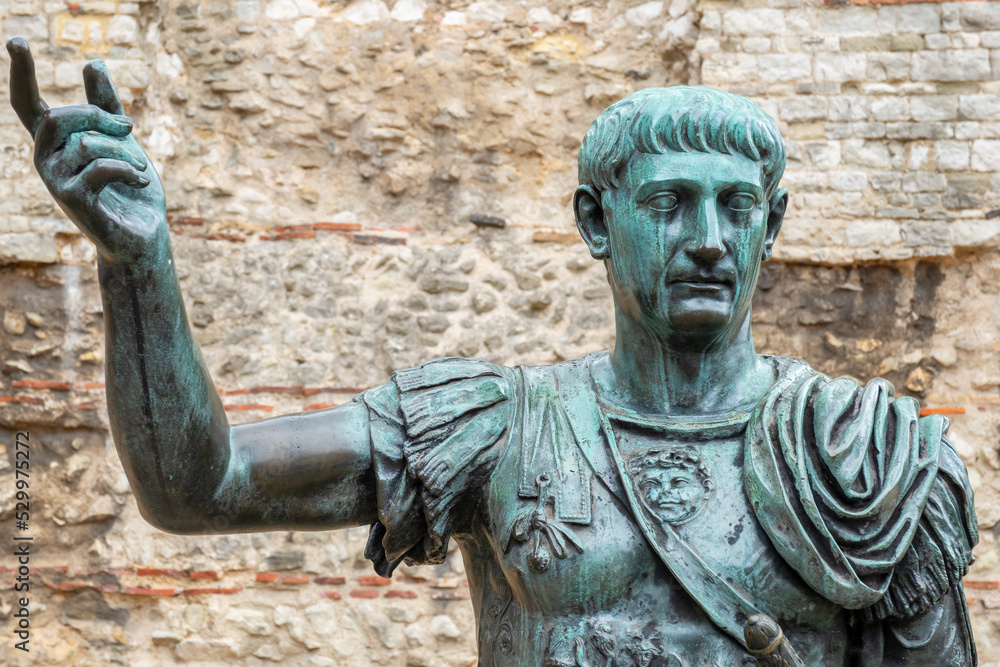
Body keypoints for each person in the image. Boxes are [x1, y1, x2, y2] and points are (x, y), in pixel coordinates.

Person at [7, 37, 978, 666]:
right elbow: (200, 486)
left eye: (737, 208)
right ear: (598, 223)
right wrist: (140, 264)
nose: (710, 238)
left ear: (774, 226)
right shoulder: (494, 428)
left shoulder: (869, 458)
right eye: (669, 203)